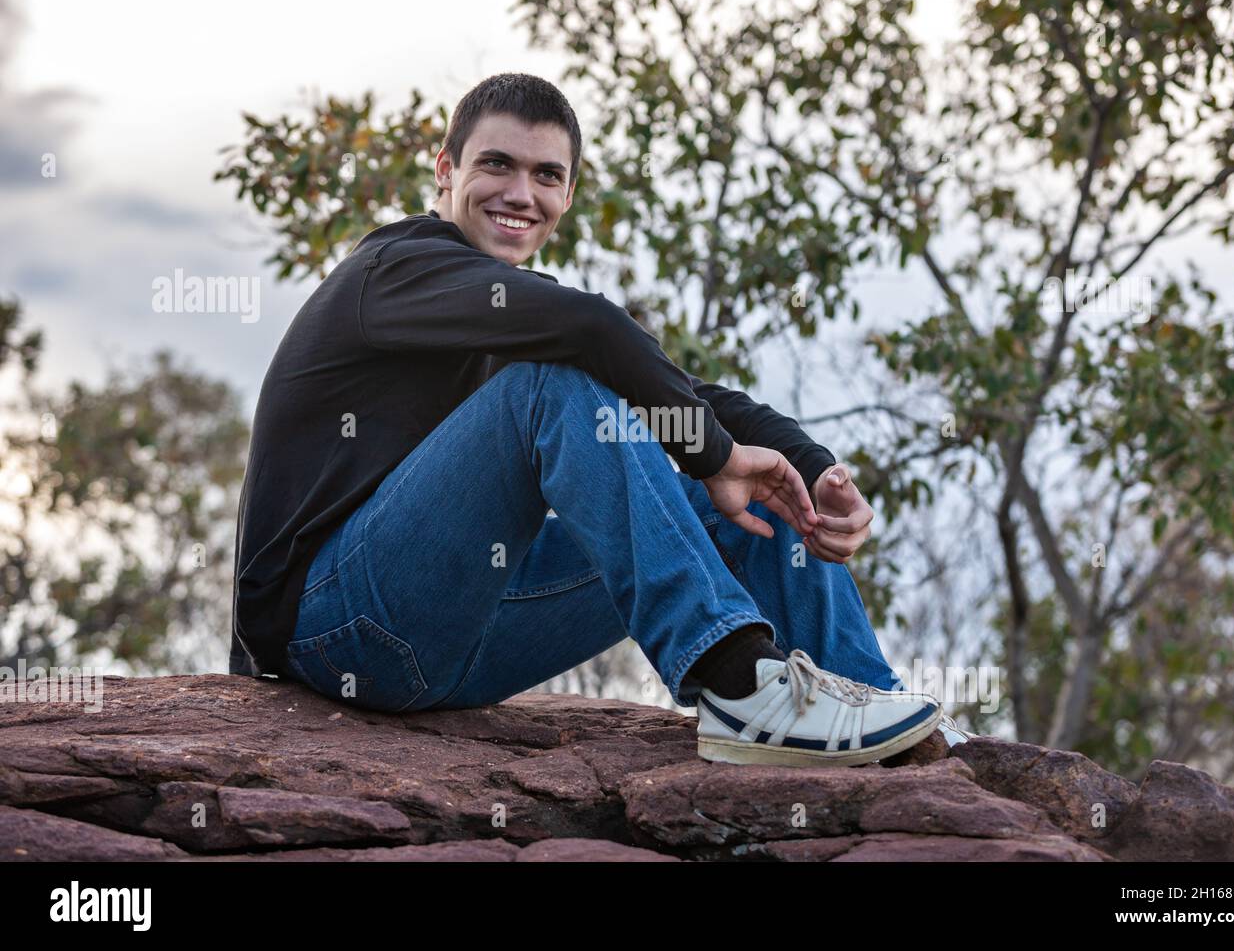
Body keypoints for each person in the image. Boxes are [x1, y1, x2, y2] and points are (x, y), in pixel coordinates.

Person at [230, 72, 961, 766]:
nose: (522, 194)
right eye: (497, 165)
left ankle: (886, 719)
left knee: (754, 514)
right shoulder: (395, 269)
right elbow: (594, 333)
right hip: (335, 633)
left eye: (547, 176)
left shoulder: (521, 312)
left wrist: (811, 470)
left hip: (466, 640)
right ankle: (738, 685)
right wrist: (715, 458)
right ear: (446, 171)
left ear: (569, 193)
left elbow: (680, 389)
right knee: (556, 380)